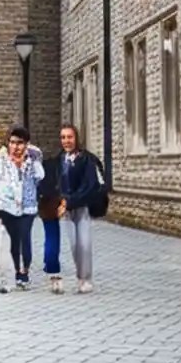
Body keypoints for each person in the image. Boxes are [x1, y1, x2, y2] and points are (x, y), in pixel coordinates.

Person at [0, 126, 44, 293]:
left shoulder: (33, 159)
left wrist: (29, 160)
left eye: (20, 143)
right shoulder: (2, 160)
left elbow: (40, 177)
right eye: (12, 143)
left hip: (27, 207)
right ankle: (5, 277)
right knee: (7, 241)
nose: (15, 147)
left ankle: (23, 273)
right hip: (7, 206)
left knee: (23, 239)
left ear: (26, 144)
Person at [60, 124, 101, 294]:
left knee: (84, 243)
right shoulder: (62, 160)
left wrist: (71, 201)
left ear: (76, 138)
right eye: (63, 137)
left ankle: (86, 279)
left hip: (81, 206)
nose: (66, 141)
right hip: (67, 209)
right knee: (74, 244)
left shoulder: (86, 159)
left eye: (69, 137)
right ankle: (80, 276)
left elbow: (89, 186)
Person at [38, 132, 66, 295]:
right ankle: (52, 267)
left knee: (51, 234)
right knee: (53, 235)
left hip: (46, 196)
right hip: (57, 196)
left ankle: (50, 266)